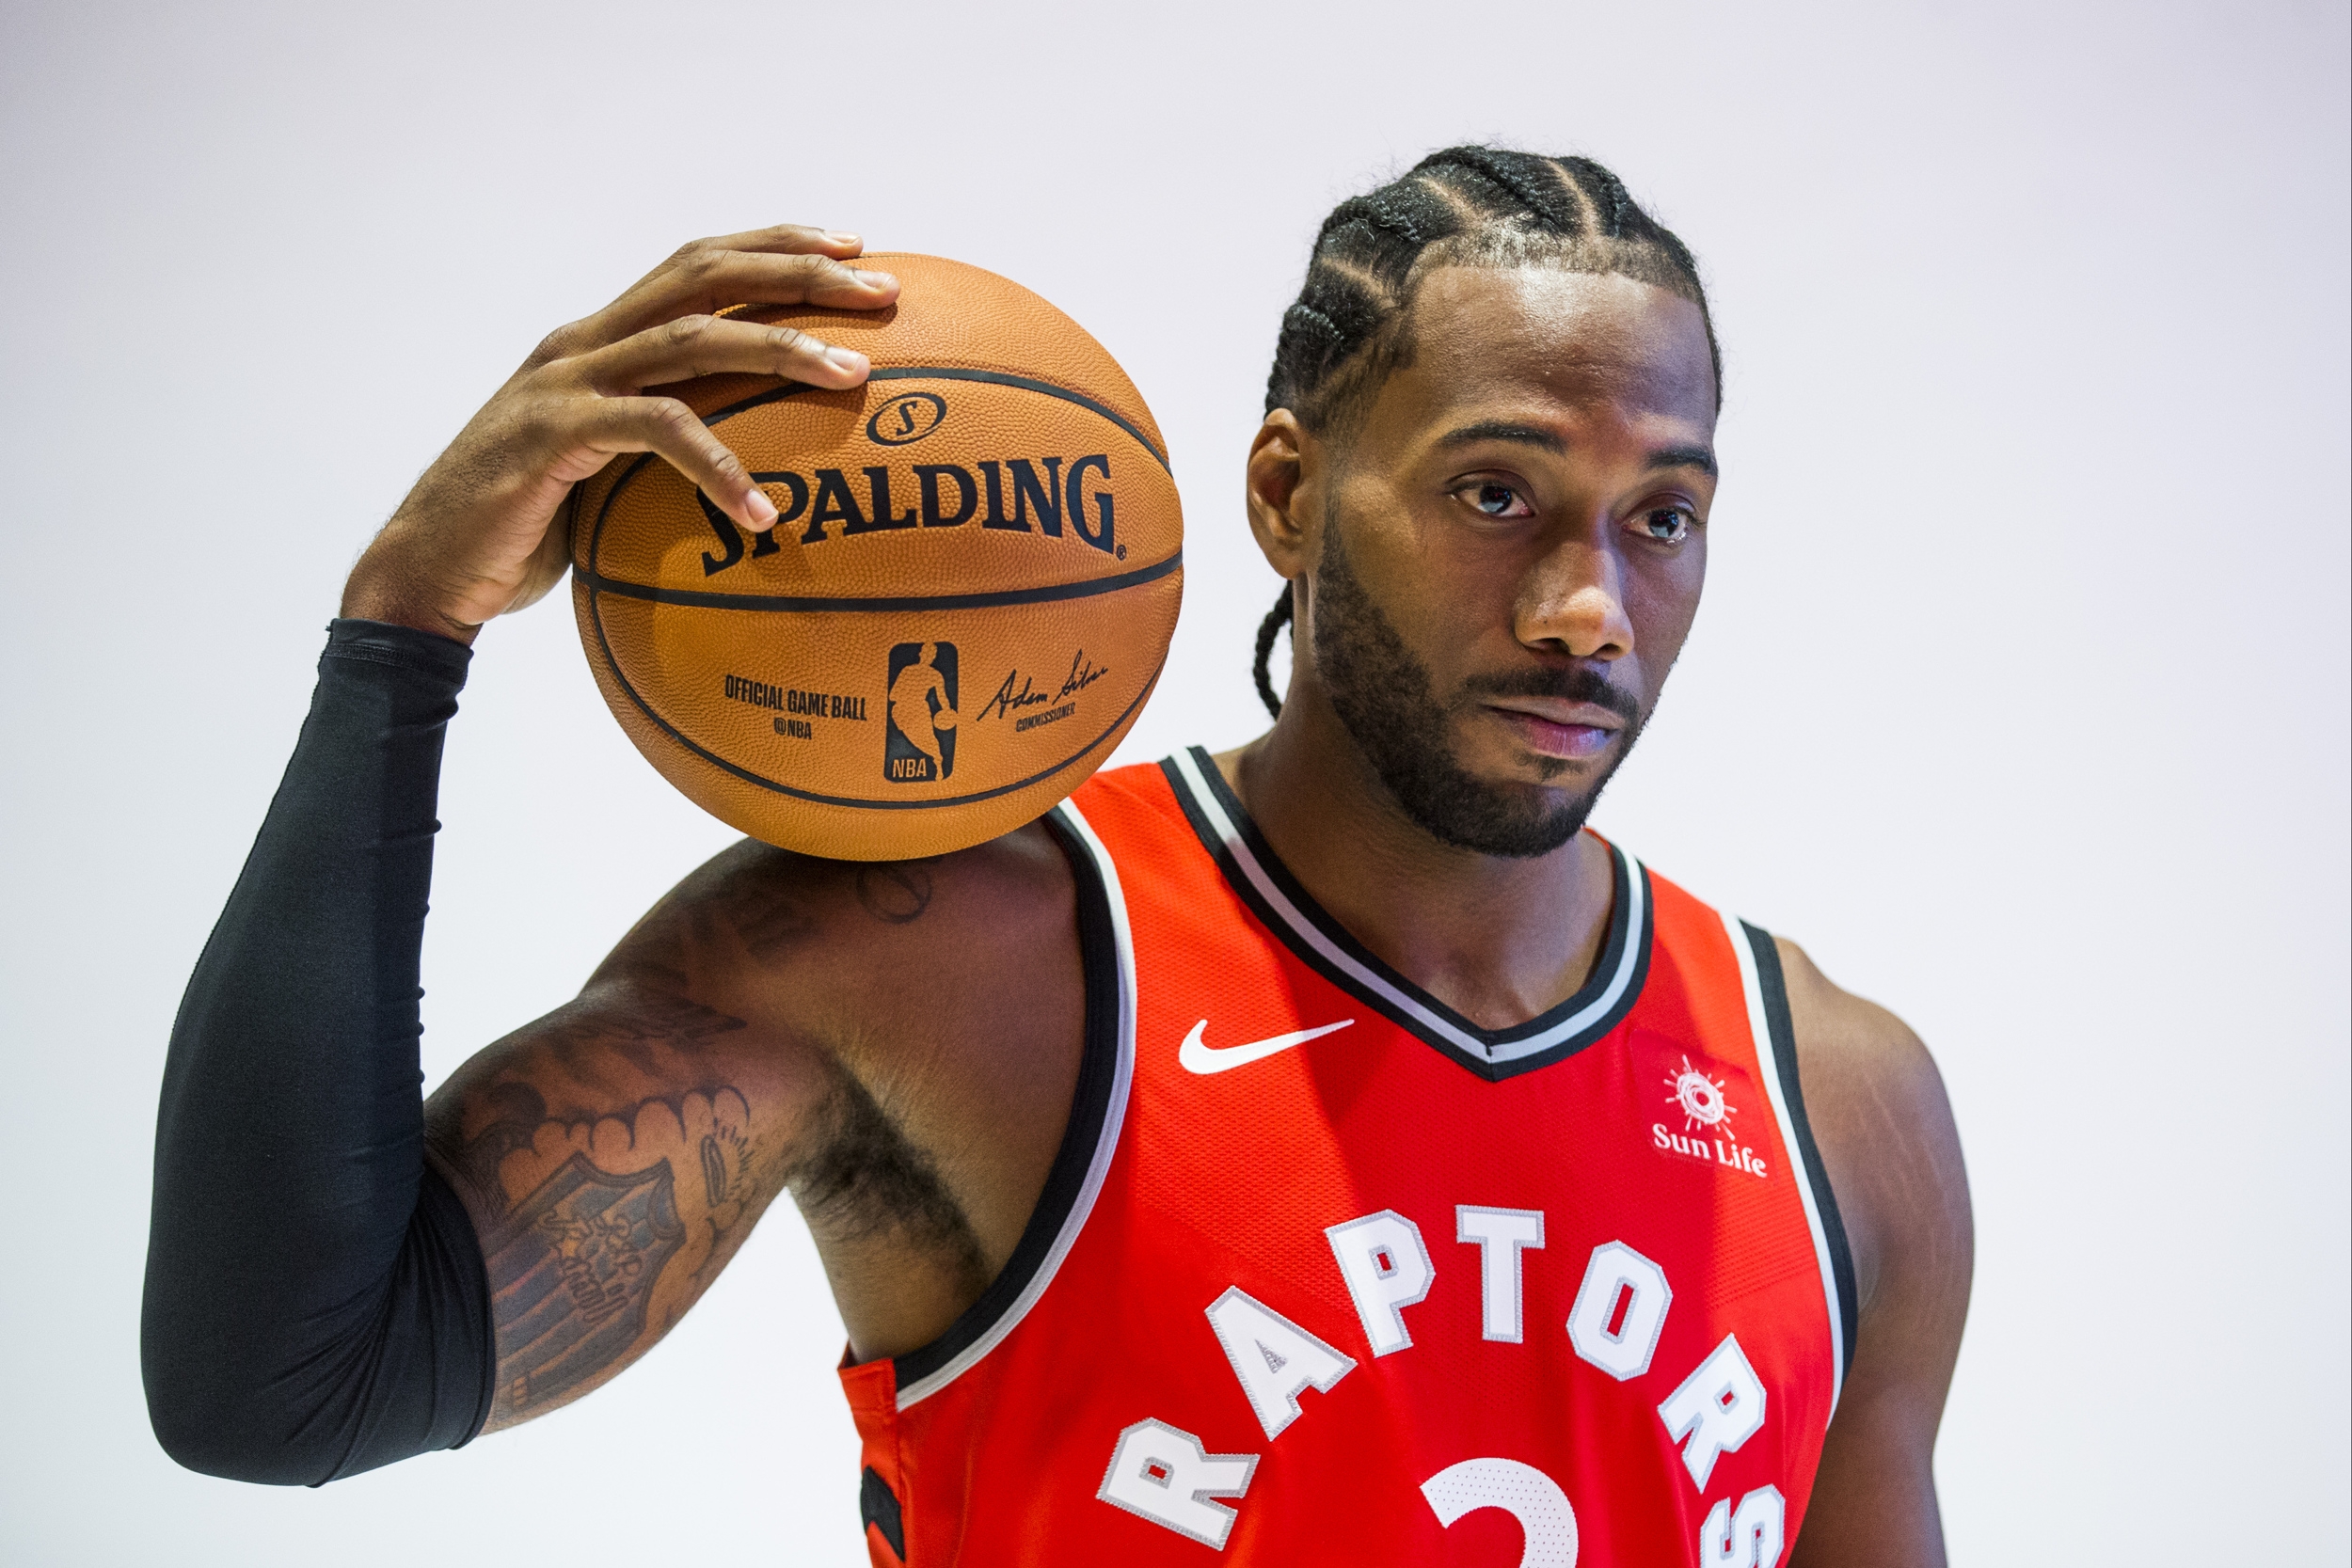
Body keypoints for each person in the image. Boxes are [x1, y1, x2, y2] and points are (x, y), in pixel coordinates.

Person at [143, 146, 1971, 1565]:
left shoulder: (1840, 1101)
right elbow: (286, 1381)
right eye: (1492, 493)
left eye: (1662, 517)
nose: (1590, 608)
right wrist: (401, 637)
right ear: (1280, 494)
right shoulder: (939, 956)